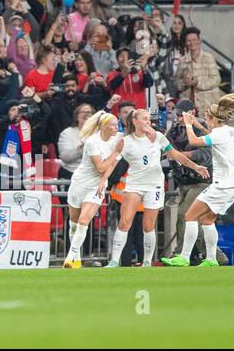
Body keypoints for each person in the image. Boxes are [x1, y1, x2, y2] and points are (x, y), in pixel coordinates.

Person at [108, 107, 209, 268]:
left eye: (149, 118)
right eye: (144, 118)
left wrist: (196, 167)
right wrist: (101, 180)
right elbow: (112, 160)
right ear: (135, 121)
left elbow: (175, 154)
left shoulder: (158, 137)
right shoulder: (125, 141)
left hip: (154, 185)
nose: (148, 122)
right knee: (125, 221)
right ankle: (113, 261)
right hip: (134, 184)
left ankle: (147, 262)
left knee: (148, 225)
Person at [163, 93, 234, 267]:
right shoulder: (229, 130)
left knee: (190, 216)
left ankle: (184, 257)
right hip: (232, 184)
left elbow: (194, 140)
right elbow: (211, 134)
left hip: (222, 185)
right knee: (207, 220)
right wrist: (197, 123)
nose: (206, 121)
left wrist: (188, 125)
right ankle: (211, 259)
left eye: (207, 118)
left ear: (213, 118)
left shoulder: (219, 134)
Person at [62, 98, 123, 268]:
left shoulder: (117, 138)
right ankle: (77, 258)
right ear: (103, 126)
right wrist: (115, 153)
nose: (116, 127)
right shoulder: (92, 142)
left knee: (84, 221)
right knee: (74, 223)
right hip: (80, 183)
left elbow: (110, 167)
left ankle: (70, 257)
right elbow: (102, 166)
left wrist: (103, 182)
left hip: (95, 187)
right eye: (113, 124)